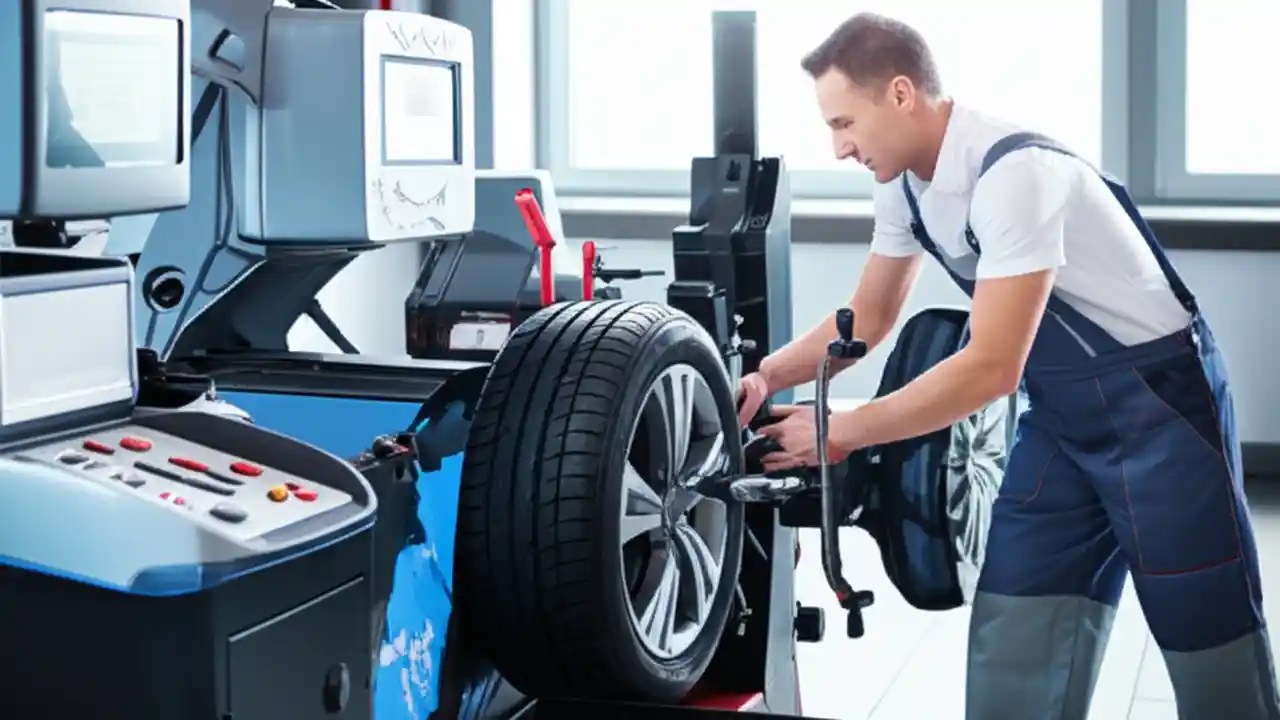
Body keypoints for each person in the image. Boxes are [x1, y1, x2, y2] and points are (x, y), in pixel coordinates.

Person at [737, 12, 1280, 720]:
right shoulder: (901, 184)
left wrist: (843, 432)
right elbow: (866, 321)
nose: (839, 147)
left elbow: (992, 365)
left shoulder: (1014, 174)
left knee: (1208, 635)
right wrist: (764, 378)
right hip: (1059, 420)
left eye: (845, 123)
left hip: (1162, 415)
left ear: (901, 94)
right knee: (1016, 623)